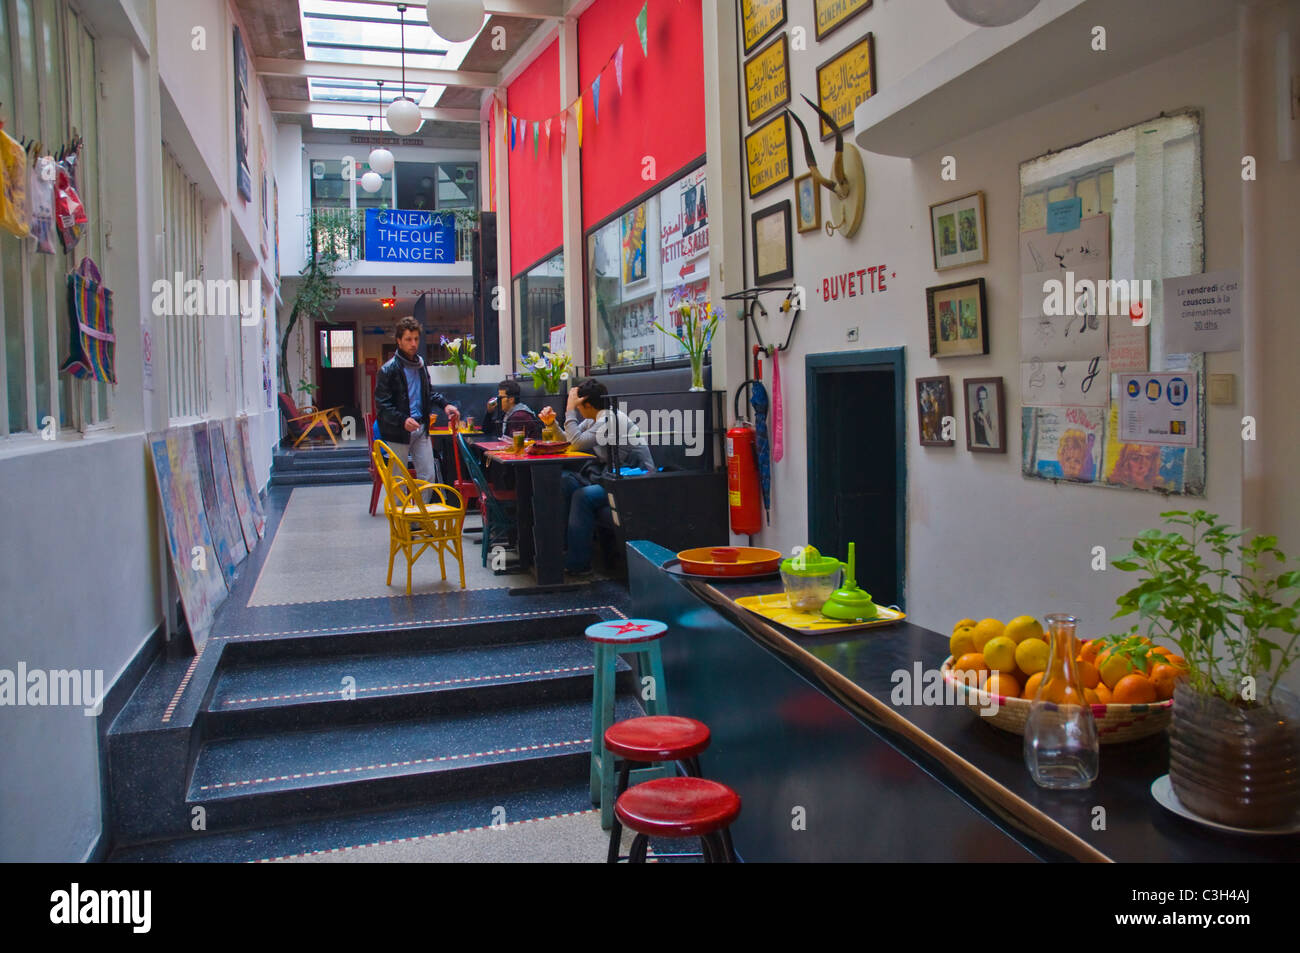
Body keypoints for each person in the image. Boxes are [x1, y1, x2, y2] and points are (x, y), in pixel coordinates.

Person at [539, 379, 654, 578]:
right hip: (611, 476)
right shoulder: (595, 419)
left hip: (634, 480)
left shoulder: (610, 420)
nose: (577, 410)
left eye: (578, 406)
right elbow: (569, 441)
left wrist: (568, 410)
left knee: (582, 496)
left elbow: (575, 443)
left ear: (588, 405)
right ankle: (561, 550)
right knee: (567, 482)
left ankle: (578, 564)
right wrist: (553, 424)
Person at [373, 315, 459, 489]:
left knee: (428, 475)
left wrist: (445, 404)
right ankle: (401, 516)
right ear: (399, 341)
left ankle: (422, 513)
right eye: (408, 339)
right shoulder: (387, 370)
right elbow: (382, 405)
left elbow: (428, 392)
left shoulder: (420, 365)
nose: (413, 343)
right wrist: (403, 420)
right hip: (398, 431)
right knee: (399, 478)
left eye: (416, 339)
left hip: (421, 427)